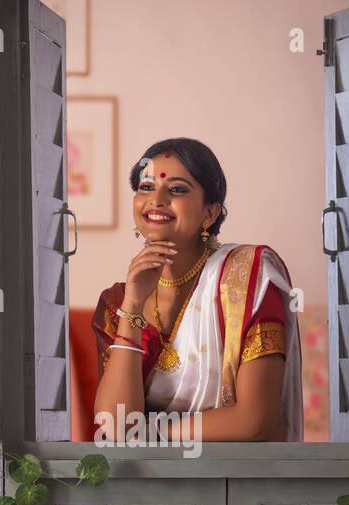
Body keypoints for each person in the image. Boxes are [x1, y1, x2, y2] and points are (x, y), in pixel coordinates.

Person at [91, 138, 302, 443]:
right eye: (146, 187)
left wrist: (146, 433)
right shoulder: (117, 303)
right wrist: (133, 306)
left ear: (210, 213)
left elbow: (254, 421)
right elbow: (113, 425)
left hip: (233, 479)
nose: (157, 200)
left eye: (177, 189)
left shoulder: (247, 279)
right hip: (144, 480)